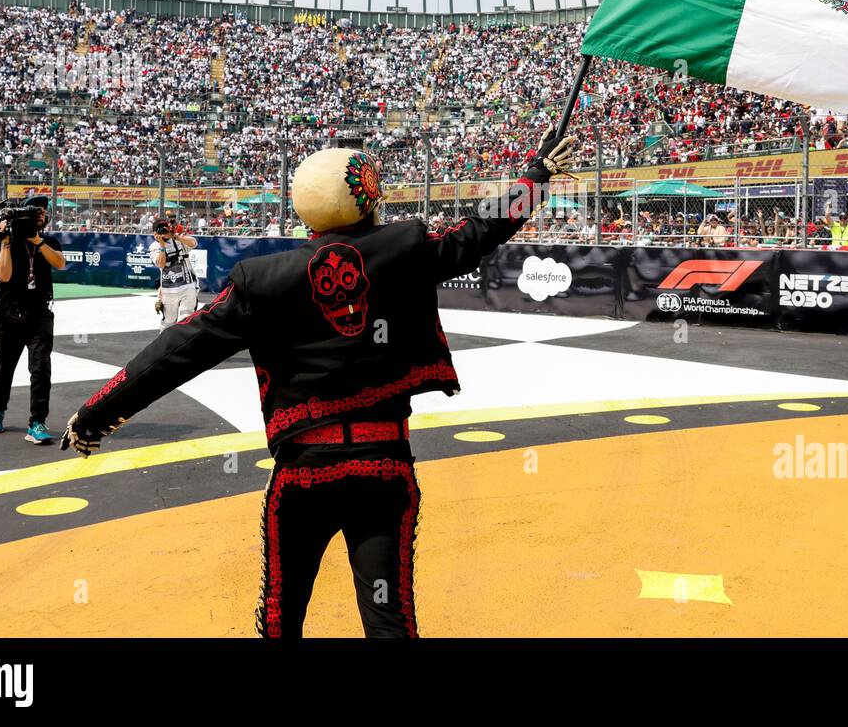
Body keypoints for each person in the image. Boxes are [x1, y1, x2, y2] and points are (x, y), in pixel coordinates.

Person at [61, 130, 577, 637]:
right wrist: (535, 176)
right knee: (389, 618)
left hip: (306, 472)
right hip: (384, 464)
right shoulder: (406, 248)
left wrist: (96, 415)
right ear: (371, 196)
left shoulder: (260, 280)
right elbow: (478, 233)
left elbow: (176, 353)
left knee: (283, 615)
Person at [0, 196, 67, 443]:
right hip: (8, 312)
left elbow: (60, 263)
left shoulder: (48, 241)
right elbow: (3, 275)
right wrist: (7, 242)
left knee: (41, 369)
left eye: (43, 211)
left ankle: (38, 422)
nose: (39, 215)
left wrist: (38, 242)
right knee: (3, 367)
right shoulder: (6, 238)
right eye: (35, 211)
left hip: (39, 314)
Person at [151, 214, 200, 330]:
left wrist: (174, 236)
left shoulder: (178, 239)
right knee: (168, 324)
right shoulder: (154, 246)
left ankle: (186, 347)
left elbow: (194, 243)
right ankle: (164, 348)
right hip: (168, 290)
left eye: (165, 228)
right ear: (154, 233)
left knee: (186, 321)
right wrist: (162, 247)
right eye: (160, 229)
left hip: (187, 286)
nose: (163, 231)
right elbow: (161, 264)